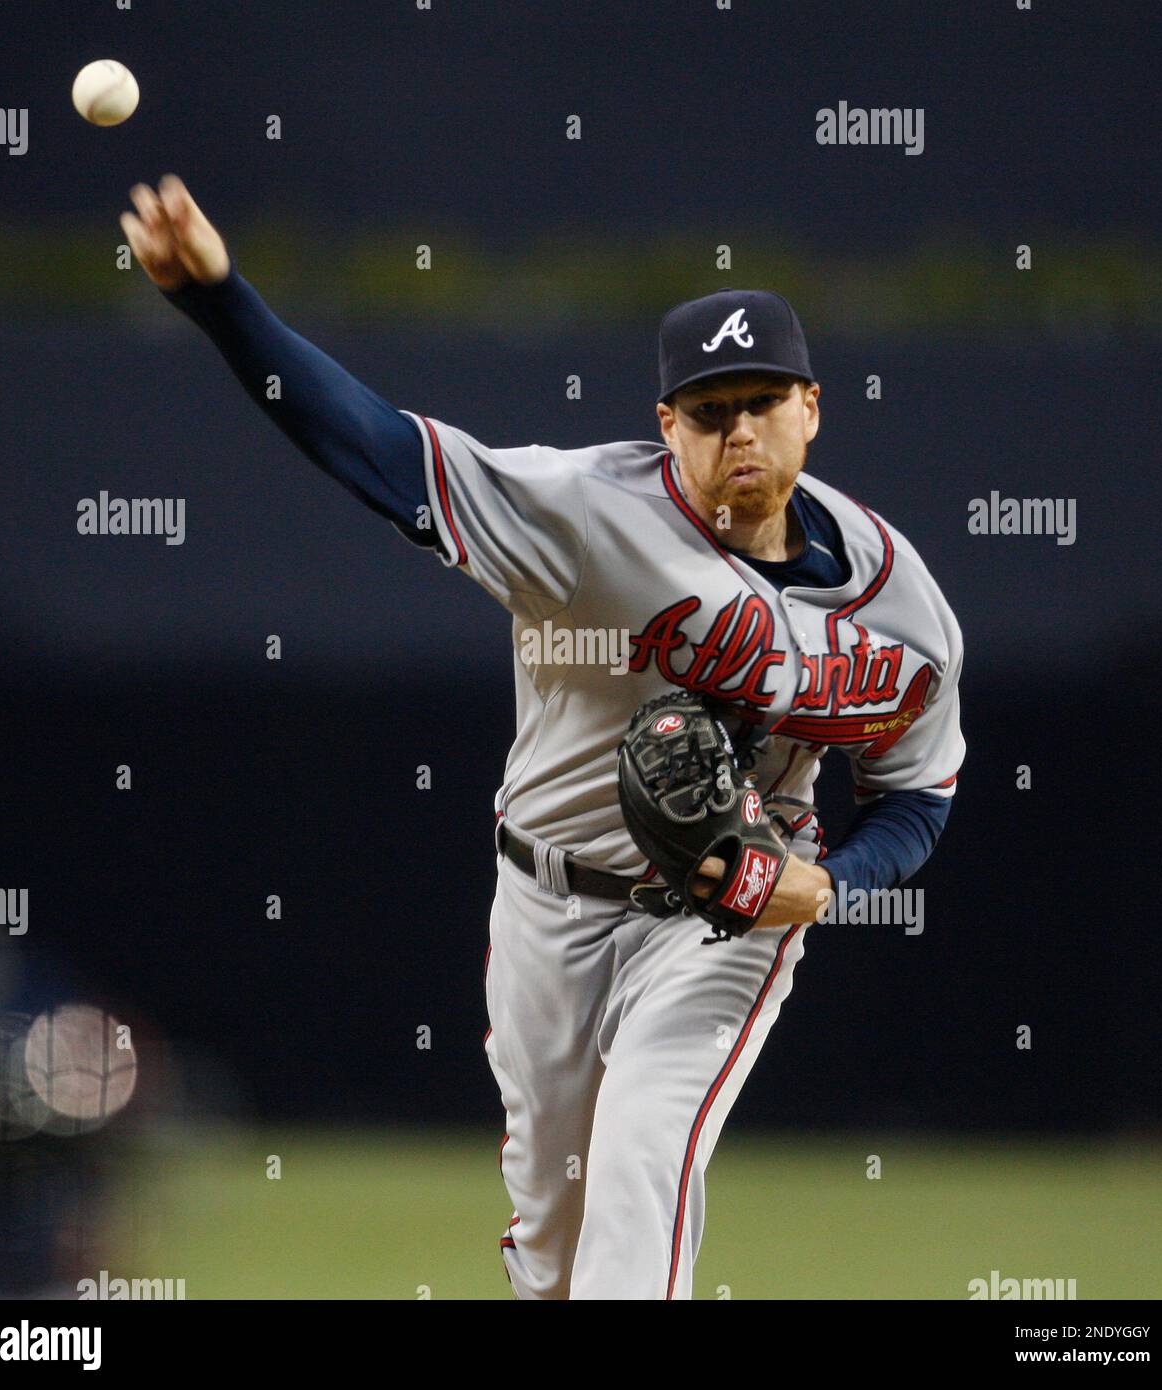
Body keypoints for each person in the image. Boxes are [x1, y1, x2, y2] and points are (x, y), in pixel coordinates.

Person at [121, 175, 964, 1300]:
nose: (740, 430)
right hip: (549, 903)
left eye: (763, 399)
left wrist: (830, 883)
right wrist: (220, 300)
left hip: (724, 918)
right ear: (667, 426)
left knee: (640, 1158)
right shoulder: (582, 511)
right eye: (710, 410)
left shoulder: (902, 604)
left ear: (812, 406)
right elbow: (373, 448)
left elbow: (919, 793)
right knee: (552, 1245)